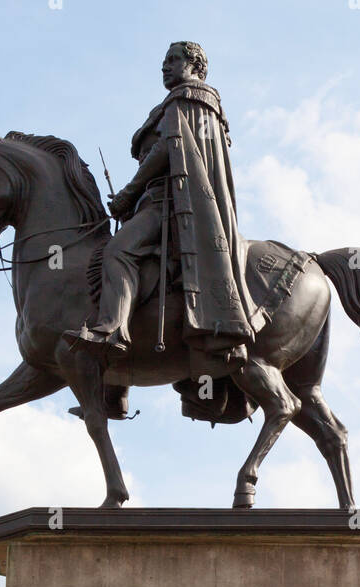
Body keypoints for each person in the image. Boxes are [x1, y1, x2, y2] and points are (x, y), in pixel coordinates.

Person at [66, 41, 259, 369]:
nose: (165, 66)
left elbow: (168, 149)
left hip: (170, 204)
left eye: (173, 60)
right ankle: (115, 389)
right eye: (164, 61)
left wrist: (130, 191)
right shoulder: (183, 102)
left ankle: (113, 331)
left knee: (117, 252)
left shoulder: (190, 97)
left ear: (194, 65)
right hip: (153, 201)